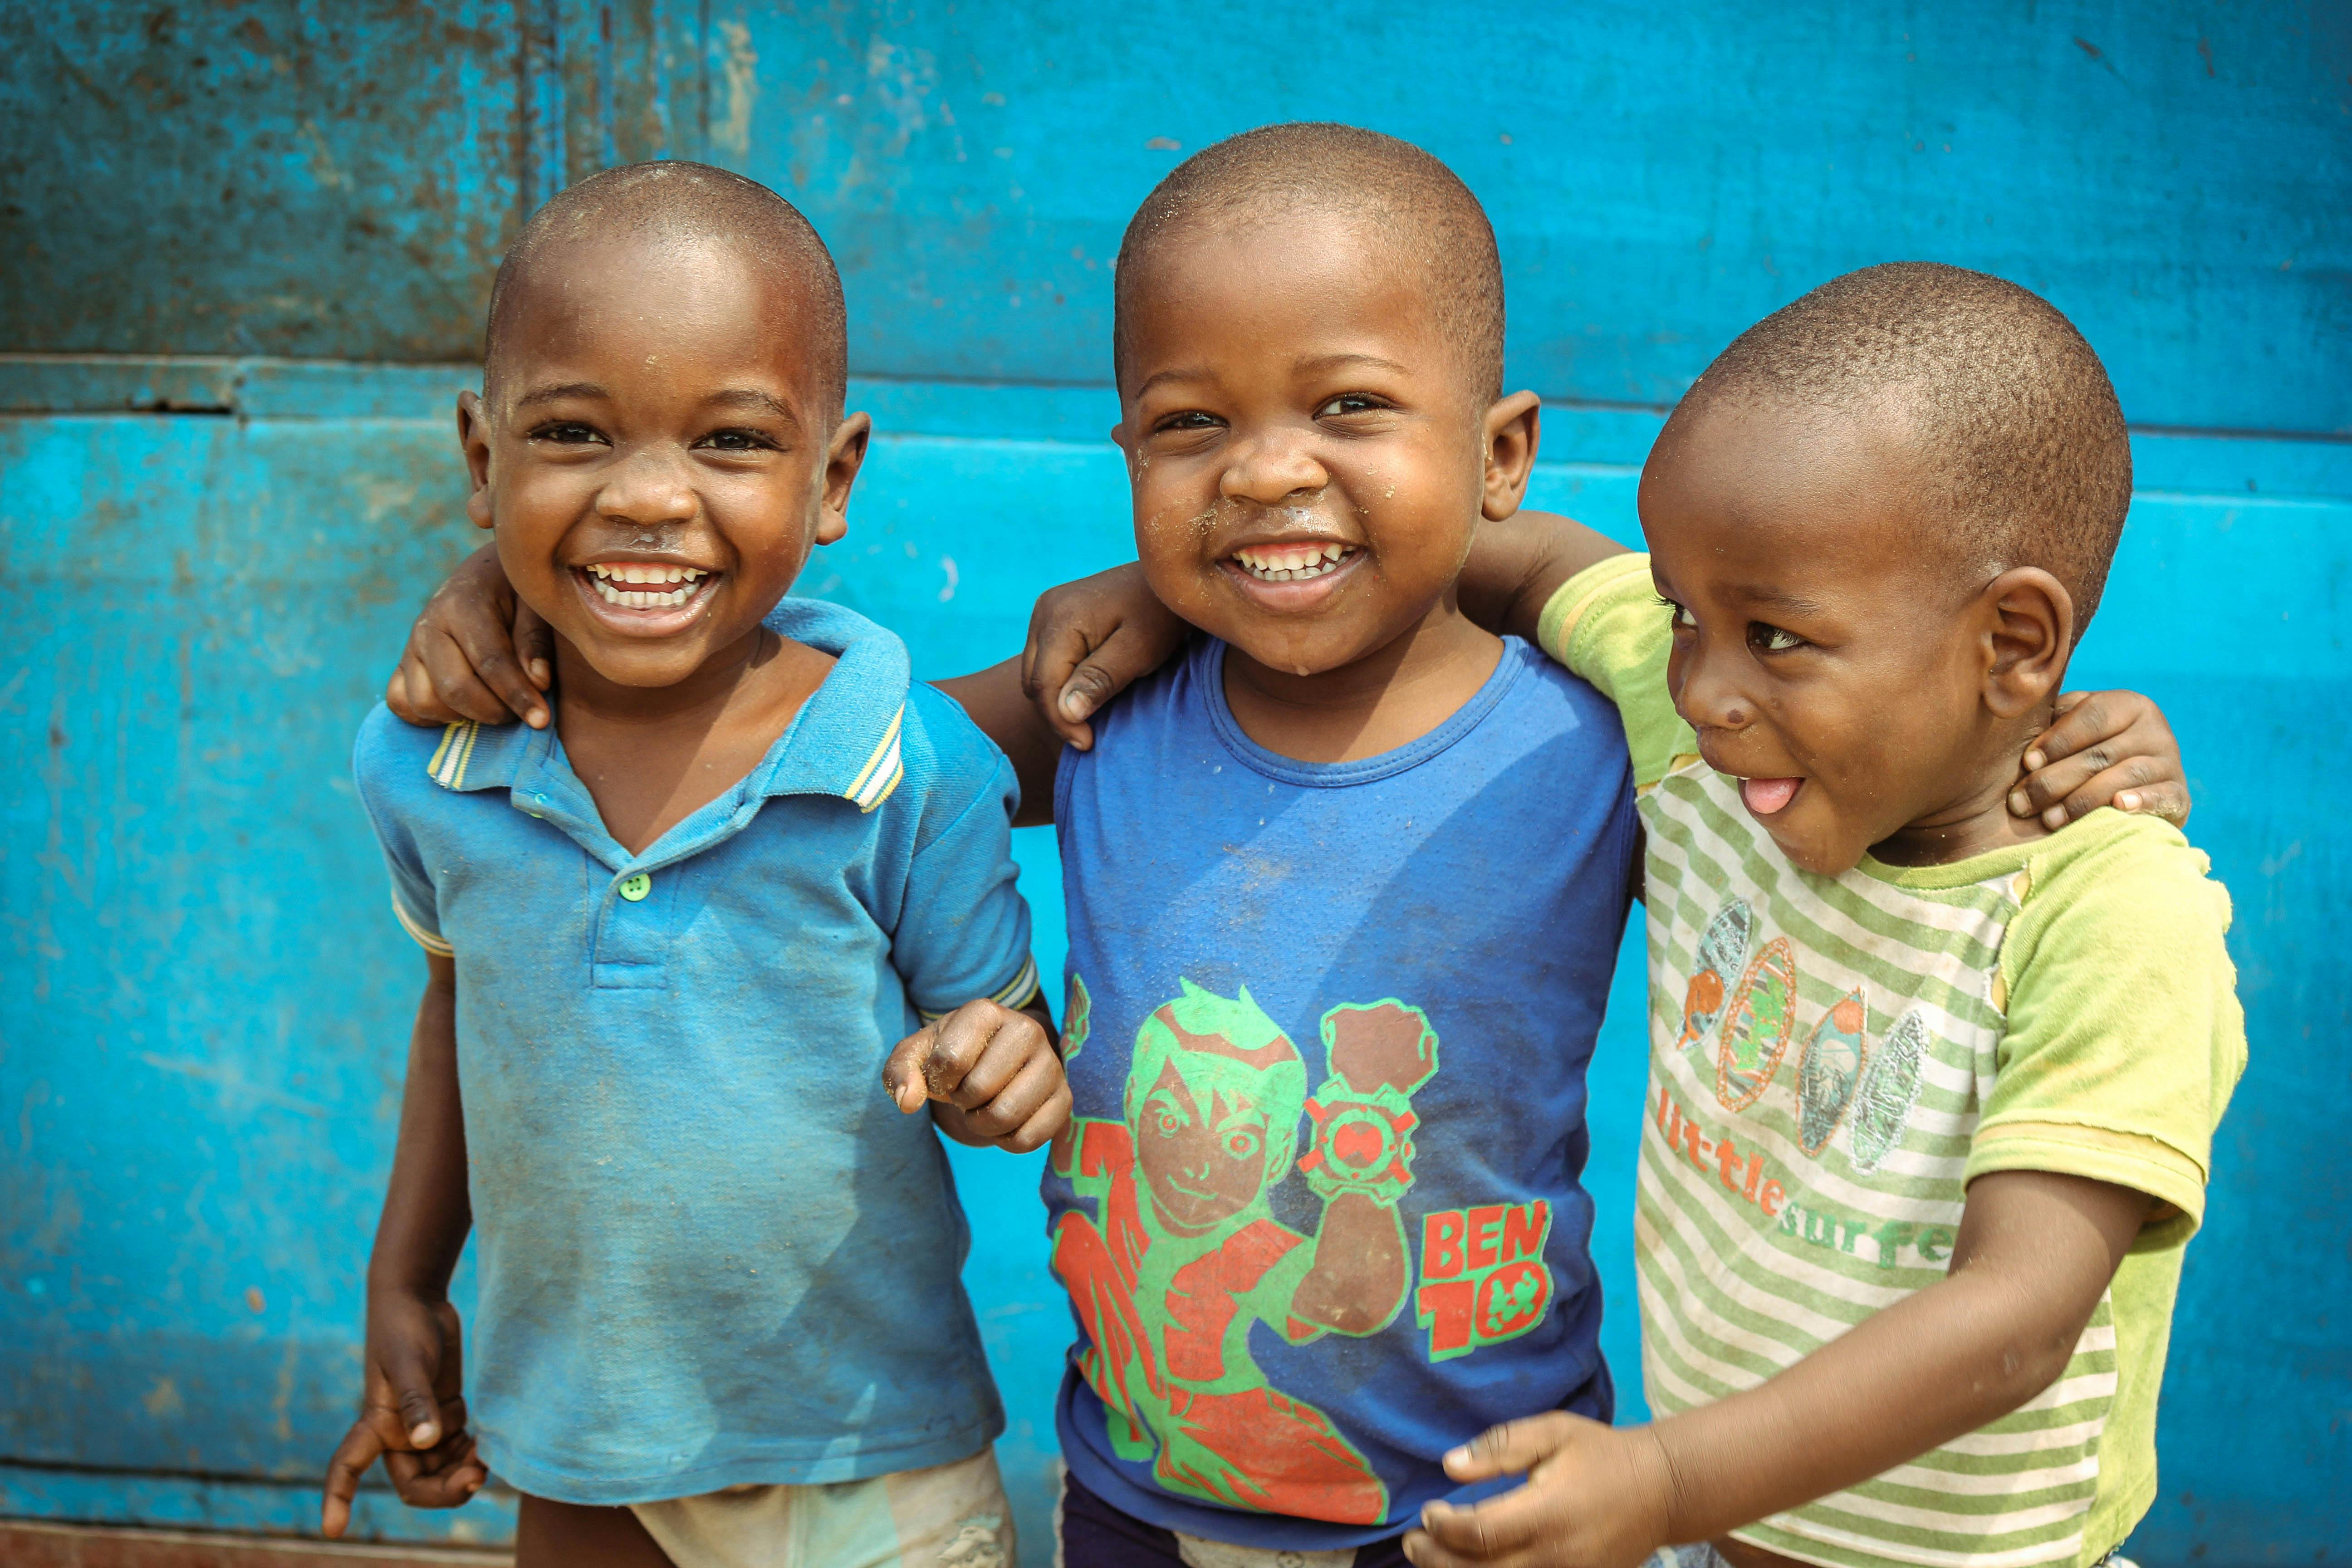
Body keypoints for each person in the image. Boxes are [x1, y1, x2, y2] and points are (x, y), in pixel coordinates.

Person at [377, 135, 2195, 1568]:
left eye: (1343, 411)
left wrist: (2068, 735)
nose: (1262, 472)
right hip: (1136, 1497)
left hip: (1488, 1502)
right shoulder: (1103, 707)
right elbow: (767, 751)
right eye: (1192, 427)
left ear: (1499, 454)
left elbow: (1827, 696)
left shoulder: (1625, 735)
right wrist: (540, 608)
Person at [1395, 265, 2244, 1568]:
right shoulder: (1701, 733)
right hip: (1701, 1529)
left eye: (1778, 637)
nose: (1707, 685)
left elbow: (2015, 1319)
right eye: (1687, 615)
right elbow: (1494, 557)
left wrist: (1667, 1482)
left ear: (2014, 641)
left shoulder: (2110, 915)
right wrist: (1178, 609)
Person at [319, 161, 1068, 1568]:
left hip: (867, 1457)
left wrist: (1000, 1071)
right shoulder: (428, 762)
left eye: (729, 442)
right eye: (576, 435)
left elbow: (1000, 1042)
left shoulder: (912, 765)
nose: (650, 498)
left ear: (833, 476)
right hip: (584, 1444)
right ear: (484, 463)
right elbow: (460, 1008)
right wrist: (404, 1277)